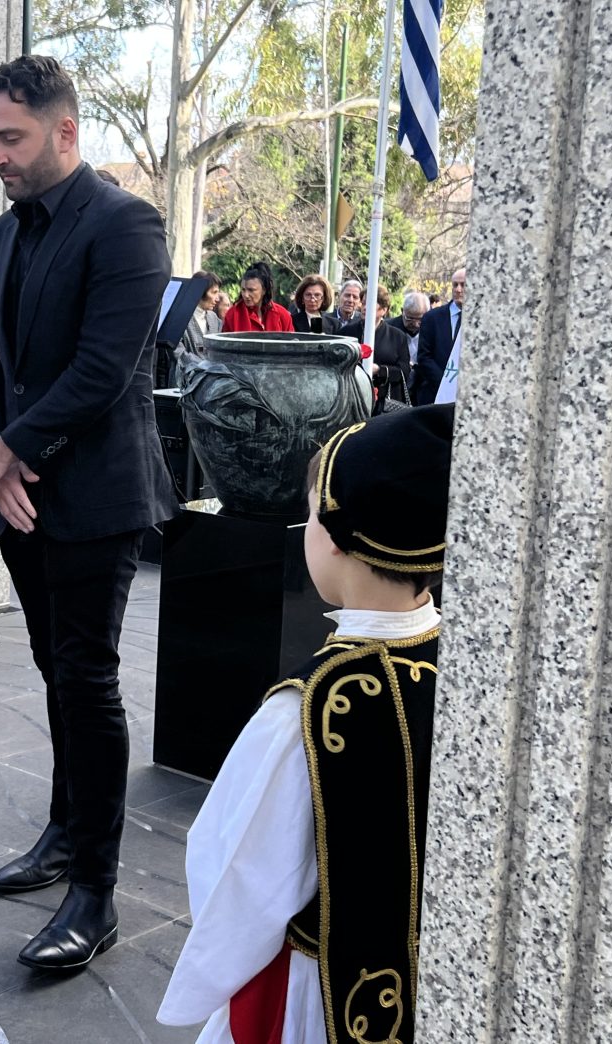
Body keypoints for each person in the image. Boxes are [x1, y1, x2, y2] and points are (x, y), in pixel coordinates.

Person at [0, 54, 176, 971]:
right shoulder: (5, 235)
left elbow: (102, 371)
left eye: (11, 137)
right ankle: (62, 828)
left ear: (65, 130)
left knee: (86, 680)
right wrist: (0, 458)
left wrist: (3, 455)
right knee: (54, 672)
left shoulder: (128, 224)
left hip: (97, 496)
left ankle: (95, 892)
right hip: (26, 495)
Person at [158, 403, 455, 1044]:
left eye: (312, 514)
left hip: (327, 994)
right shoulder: (465, 663)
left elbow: (239, 870)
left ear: (340, 537)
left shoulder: (311, 708)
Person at [340, 285, 409, 411]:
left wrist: (379, 370)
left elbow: (404, 371)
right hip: (351, 398)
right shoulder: (346, 333)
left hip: (384, 402)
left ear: (383, 310)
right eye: (363, 303)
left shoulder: (397, 337)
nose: (365, 307)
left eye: (370, 303)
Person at [411, 267, 466, 405]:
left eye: (463, 285)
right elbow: (424, 357)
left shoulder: (480, 320)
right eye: (455, 285)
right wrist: (446, 384)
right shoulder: (432, 318)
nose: (458, 289)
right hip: (434, 394)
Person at [169, 270, 222, 385]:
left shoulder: (214, 319)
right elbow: (178, 353)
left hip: (209, 384)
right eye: (214, 292)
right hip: (183, 383)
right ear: (199, 291)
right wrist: (203, 366)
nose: (217, 299)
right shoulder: (179, 317)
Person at [222, 262, 294, 333]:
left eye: (251, 290)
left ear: (264, 290)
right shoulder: (232, 315)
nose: (246, 295)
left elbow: (291, 340)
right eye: (243, 290)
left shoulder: (283, 315)